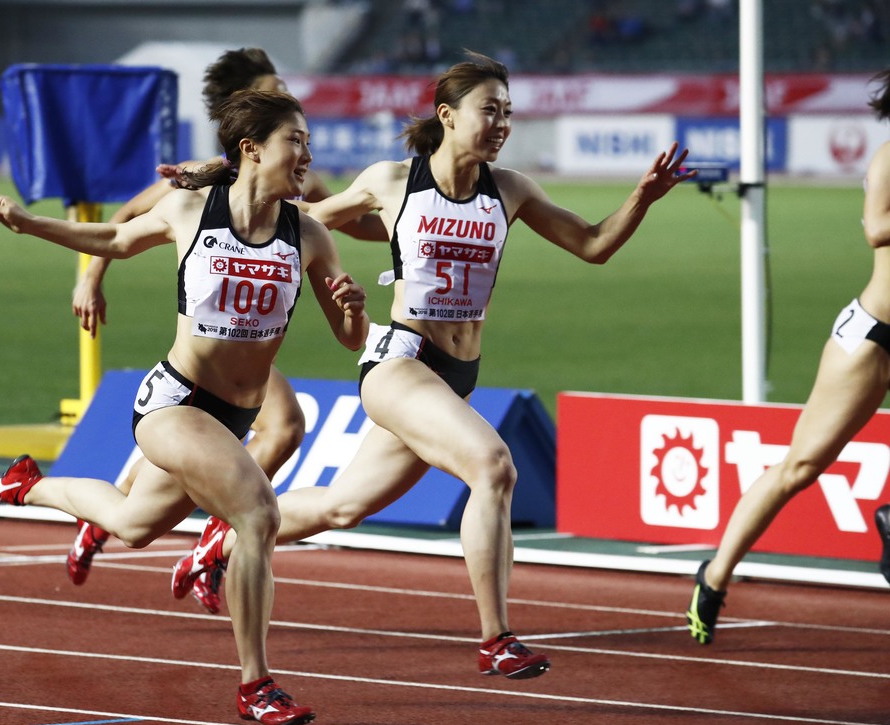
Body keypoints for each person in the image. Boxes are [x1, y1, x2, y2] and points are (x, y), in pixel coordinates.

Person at [170, 52, 693, 679]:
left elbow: (593, 245)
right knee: (492, 466)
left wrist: (643, 196)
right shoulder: (393, 181)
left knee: (342, 507)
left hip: (455, 375)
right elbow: (291, 219)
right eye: (488, 110)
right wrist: (219, 183)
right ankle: (496, 636)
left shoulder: (512, 190)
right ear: (447, 115)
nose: (501, 123)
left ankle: (220, 543)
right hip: (400, 364)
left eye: (508, 112)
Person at [0, 90, 369, 725]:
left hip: (234, 416)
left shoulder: (310, 234)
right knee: (258, 514)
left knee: (132, 525)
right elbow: (111, 236)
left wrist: (353, 312)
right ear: (252, 150)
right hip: (174, 403)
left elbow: (350, 338)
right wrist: (29, 223)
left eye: (307, 140)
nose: (308, 154)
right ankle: (256, 685)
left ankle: (25, 487)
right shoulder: (191, 209)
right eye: (294, 140)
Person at [65, 47, 385, 601]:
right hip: (208, 339)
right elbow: (122, 224)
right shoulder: (198, 182)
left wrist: (414, 228)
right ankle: (216, 528)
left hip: (254, 337)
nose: (288, 96)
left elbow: (347, 224)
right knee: (260, 427)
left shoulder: (295, 179)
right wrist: (90, 280)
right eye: (275, 87)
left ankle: (175, 521)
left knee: (268, 429)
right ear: (246, 126)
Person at [690, 67, 890, 644]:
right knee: (801, 466)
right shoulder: (886, 158)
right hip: (872, 335)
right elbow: (876, 228)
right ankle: (716, 574)